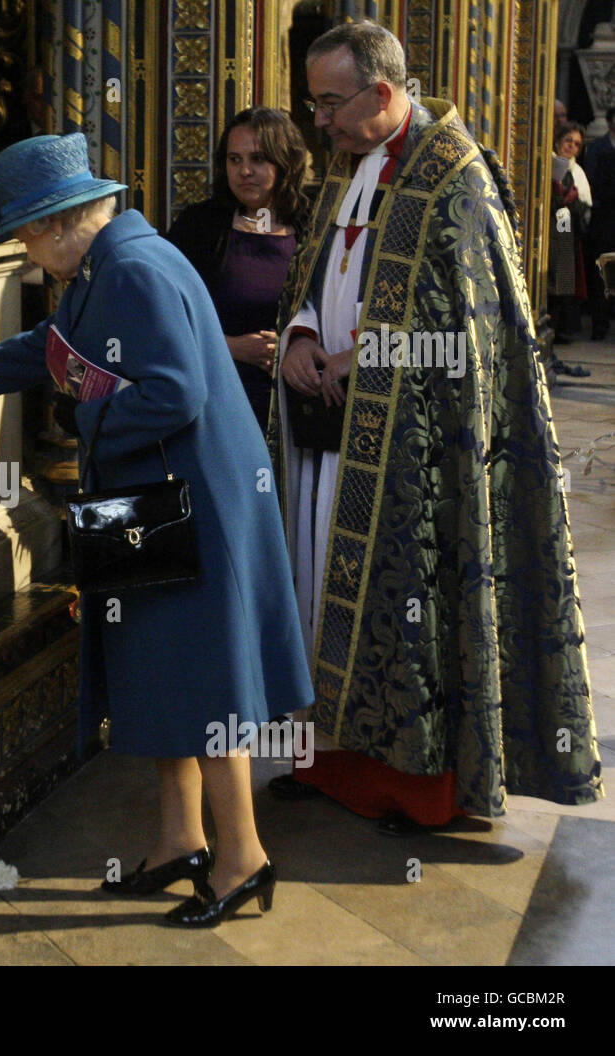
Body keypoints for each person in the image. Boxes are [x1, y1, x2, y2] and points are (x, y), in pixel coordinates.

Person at [0, 132, 314, 926]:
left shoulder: (134, 271)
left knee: (205, 678)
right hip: (163, 500)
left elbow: (174, 393)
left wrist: (85, 413)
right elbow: (51, 350)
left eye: (21, 239)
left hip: (185, 506)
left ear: (57, 225)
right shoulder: (114, 260)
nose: (24, 255)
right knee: (162, 668)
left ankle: (242, 858)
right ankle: (182, 841)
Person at [269, 21, 602, 831]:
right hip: (329, 443)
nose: (321, 122)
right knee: (319, 593)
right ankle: (327, 759)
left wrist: (367, 359)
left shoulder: (455, 177)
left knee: (410, 604)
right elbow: (318, 276)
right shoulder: (343, 170)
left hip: (414, 457)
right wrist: (304, 337)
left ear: (383, 94)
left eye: (331, 104)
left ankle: (415, 784)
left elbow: (475, 338)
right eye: (315, 105)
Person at [165, 107, 311, 432]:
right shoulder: (199, 226)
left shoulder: (313, 226)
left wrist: (296, 343)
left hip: (295, 405)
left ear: (284, 162)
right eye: (234, 160)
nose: (244, 171)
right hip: (214, 398)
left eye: (258, 159)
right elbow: (162, 314)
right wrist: (230, 347)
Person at [547, 122, 592, 375]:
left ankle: (559, 334)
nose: (571, 147)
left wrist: (568, 202)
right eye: (568, 142)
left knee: (563, 285)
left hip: (565, 233)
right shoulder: (552, 165)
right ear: (558, 141)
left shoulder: (575, 171)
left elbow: (582, 207)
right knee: (552, 286)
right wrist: (563, 200)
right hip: (549, 233)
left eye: (576, 144)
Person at [582, 105, 615, 340]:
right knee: (601, 274)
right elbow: (593, 185)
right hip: (604, 220)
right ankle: (599, 324)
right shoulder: (598, 150)